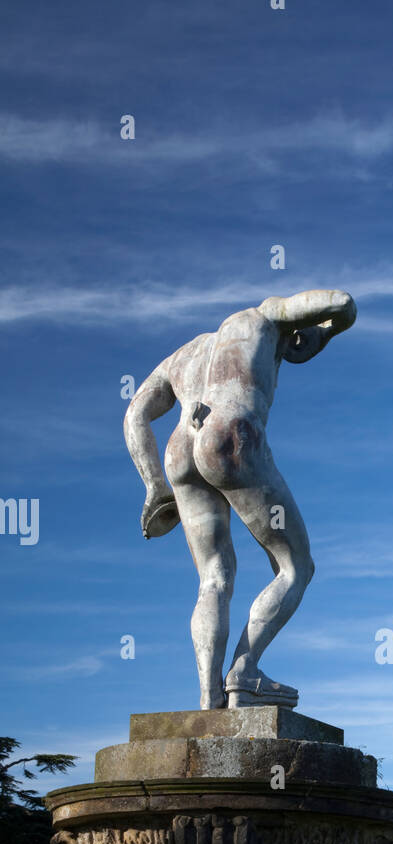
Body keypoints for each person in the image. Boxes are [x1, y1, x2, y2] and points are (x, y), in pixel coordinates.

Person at [123, 289, 356, 709]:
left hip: (180, 449)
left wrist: (154, 486)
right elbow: (342, 302)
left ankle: (207, 696)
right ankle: (244, 673)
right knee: (296, 567)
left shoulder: (187, 353)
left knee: (213, 578)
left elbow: (135, 414)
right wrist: (325, 334)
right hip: (231, 435)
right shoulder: (269, 314)